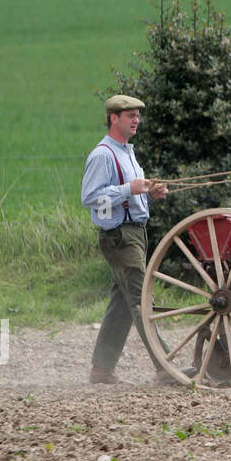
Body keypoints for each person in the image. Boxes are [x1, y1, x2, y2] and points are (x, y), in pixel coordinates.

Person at [81, 94, 174, 385]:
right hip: (119, 235)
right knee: (140, 297)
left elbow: (130, 192)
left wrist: (148, 192)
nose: (136, 120)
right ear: (113, 118)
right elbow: (91, 198)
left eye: (137, 115)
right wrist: (128, 189)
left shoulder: (127, 152)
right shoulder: (102, 155)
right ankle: (165, 367)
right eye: (130, 115)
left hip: (135, 232)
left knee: (122, 302)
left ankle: (101, 370)